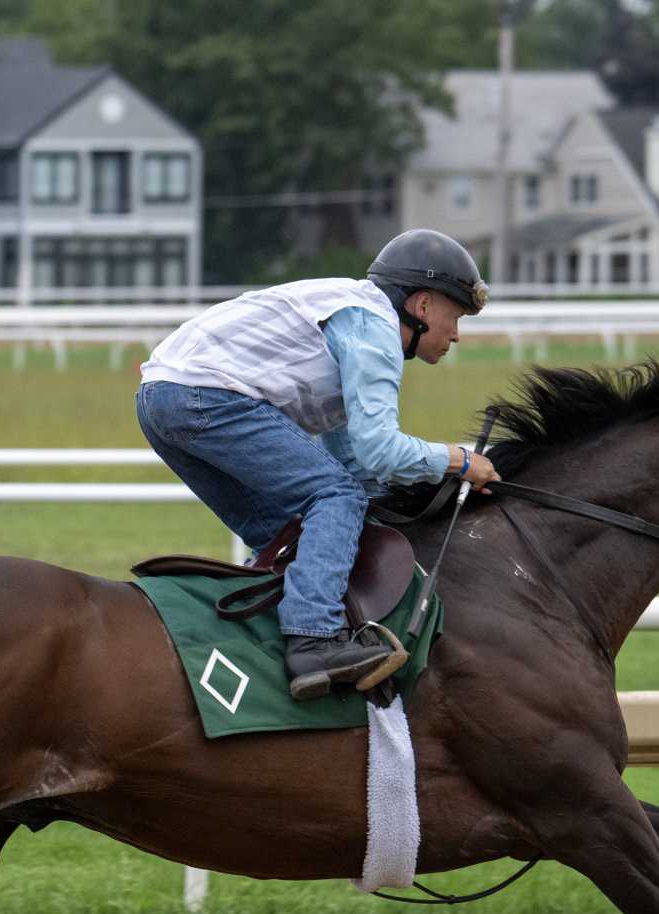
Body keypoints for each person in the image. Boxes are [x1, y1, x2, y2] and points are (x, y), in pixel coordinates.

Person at [137, 229, 500, 702]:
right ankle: (313, 640)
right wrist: (460, 462)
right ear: (424, 304)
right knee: (335, 497)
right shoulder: (374, 329)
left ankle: (262, 642)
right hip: (202, 396)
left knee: (291, 530)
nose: (456, 334)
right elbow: (379, 453)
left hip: (159, 398)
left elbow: (355, 461)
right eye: (456, 317)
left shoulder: (353, 318)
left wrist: (420, 493)